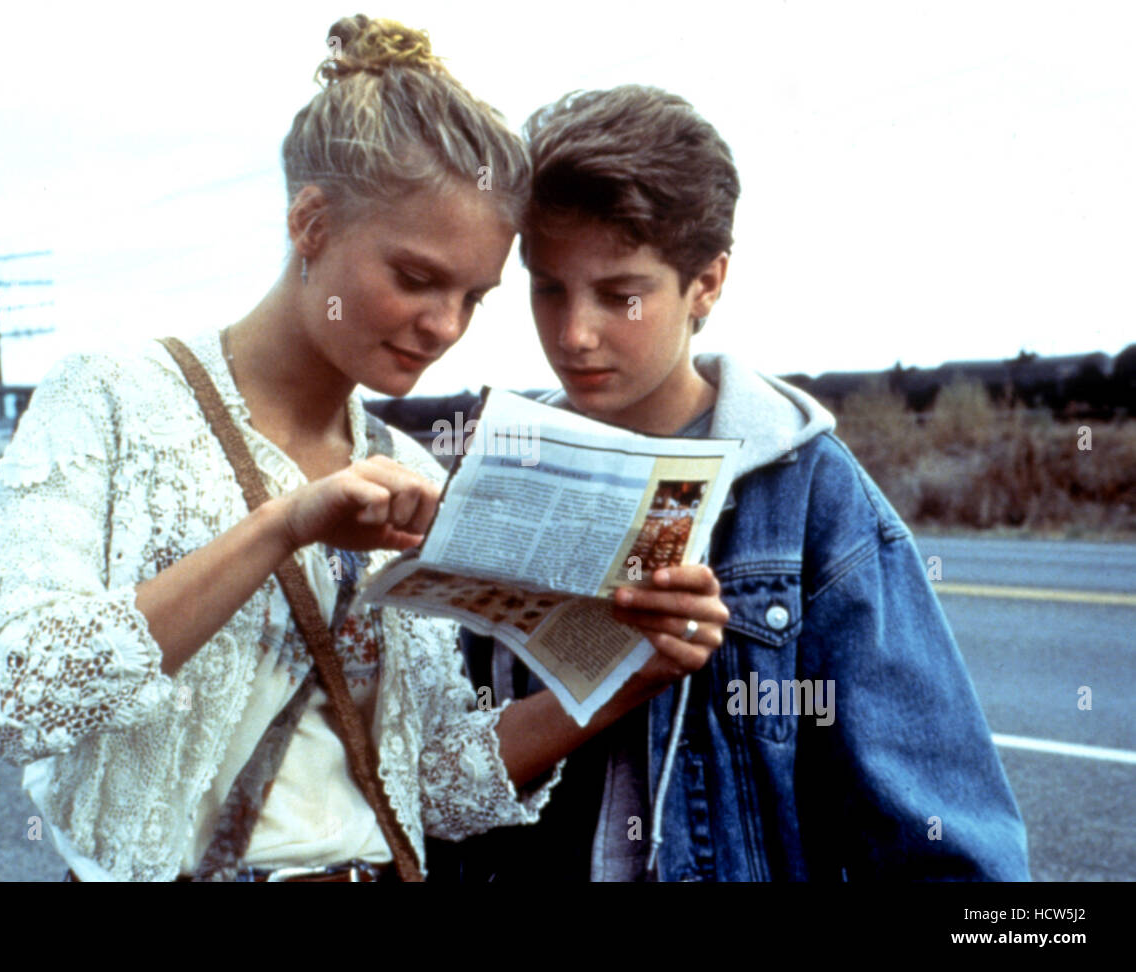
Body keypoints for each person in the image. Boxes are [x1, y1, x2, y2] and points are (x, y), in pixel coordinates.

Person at [0, 19, 727, 882]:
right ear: (312, 222)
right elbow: (15, 695)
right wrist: (282, 525)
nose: (444, 326)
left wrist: (634, 669)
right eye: (415, 278)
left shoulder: (409, 466)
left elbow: (435, 787)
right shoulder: (111, 397)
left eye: (474, 297)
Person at [426, 85, 1032, 881]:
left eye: (621, 295)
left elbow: (945, 844)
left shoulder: (810, 496)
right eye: (549, 288)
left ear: (706, 284)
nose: (574, 335)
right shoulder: (499, 471)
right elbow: (434, 791)